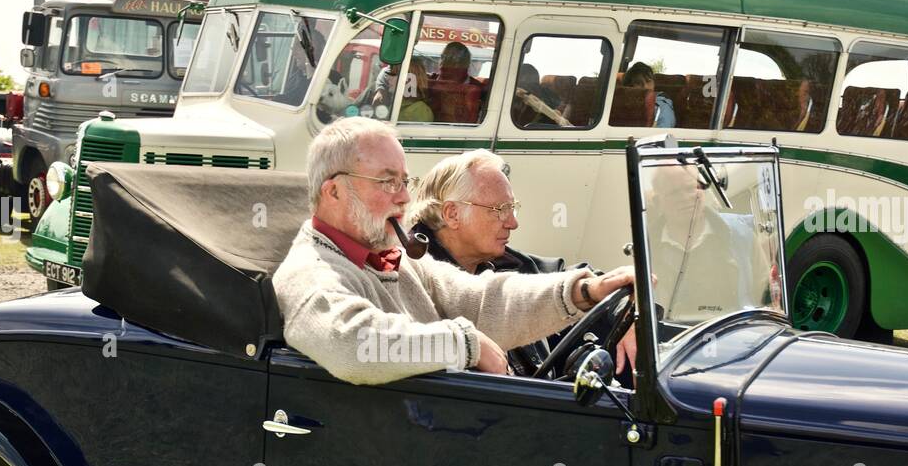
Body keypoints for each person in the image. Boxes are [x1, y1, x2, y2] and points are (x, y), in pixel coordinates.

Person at [272, 118, 636, 386]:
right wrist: (466, 342)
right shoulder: (311, 271)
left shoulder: (395, 258)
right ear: (334, 192)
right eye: (387, 182)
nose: (403, 197)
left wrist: (583, 291)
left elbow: (481, 299)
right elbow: (352, 345)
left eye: (405, 181)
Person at [407, 149, 634, 375]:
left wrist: (625, 311)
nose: (513, 223)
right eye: (500, 210)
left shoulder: (509, 263)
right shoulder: (413, 280)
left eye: (512, 208)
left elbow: (564, 275)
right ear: (452, 214)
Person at [624, 62, 676, 128]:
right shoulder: (622, 101)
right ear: (630, 86)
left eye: (648, 81)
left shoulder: (662, 103)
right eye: (638, 83)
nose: (645, 86)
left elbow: (664, 128)